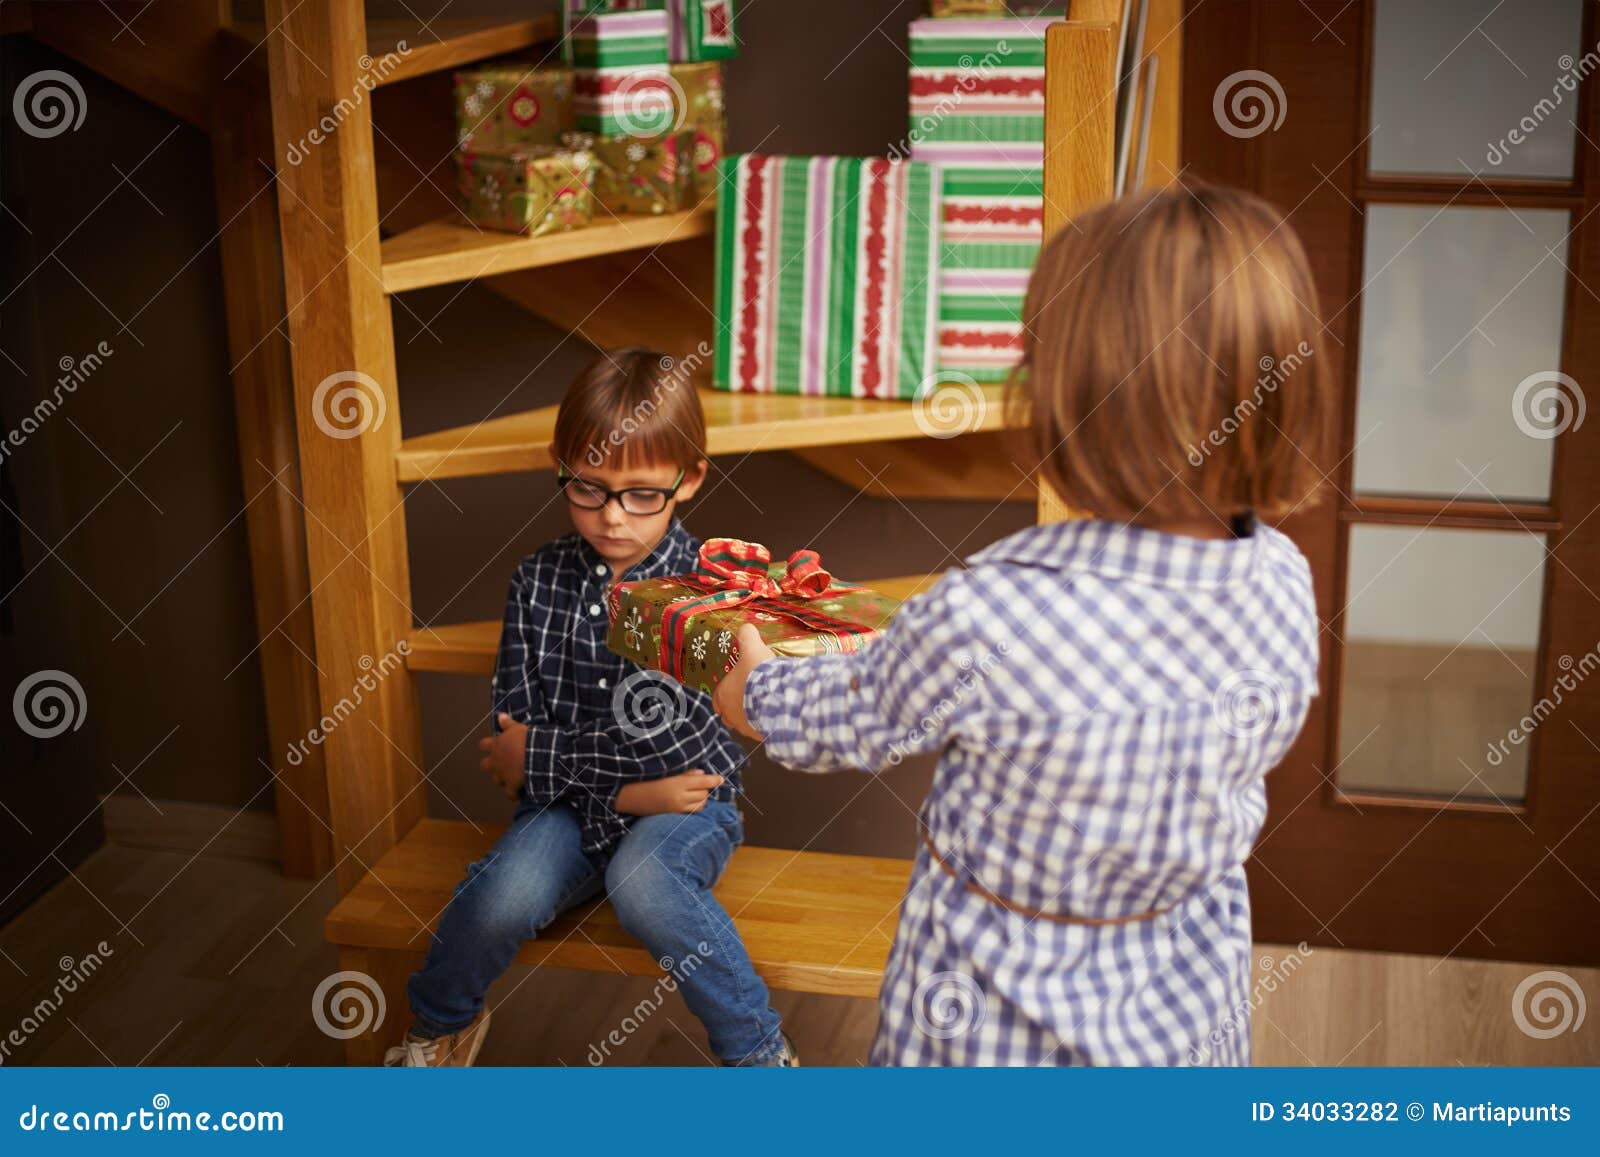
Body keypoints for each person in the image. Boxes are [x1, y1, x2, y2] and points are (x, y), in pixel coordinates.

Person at [714, 185, 1328, 1065]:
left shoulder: (991, 611)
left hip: (989, 1025)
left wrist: (758, 691)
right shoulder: (1282, 579)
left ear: (1075, 403)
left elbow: (861, 712)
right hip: (1183, 1007)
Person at [386, 348, 795, 1067]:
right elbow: (510, 735)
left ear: (689, 478)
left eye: (641, 495)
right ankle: (440, 1029)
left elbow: (676, 747)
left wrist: (548, 757)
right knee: (504, 892)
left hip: (688, 808)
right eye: (588, 488)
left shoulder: (708, 592)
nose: (611, 517)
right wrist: (627, 789)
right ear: (561, 467)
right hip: (567, 810)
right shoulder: (536, 580)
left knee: (646, 884)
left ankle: (760, 1056)